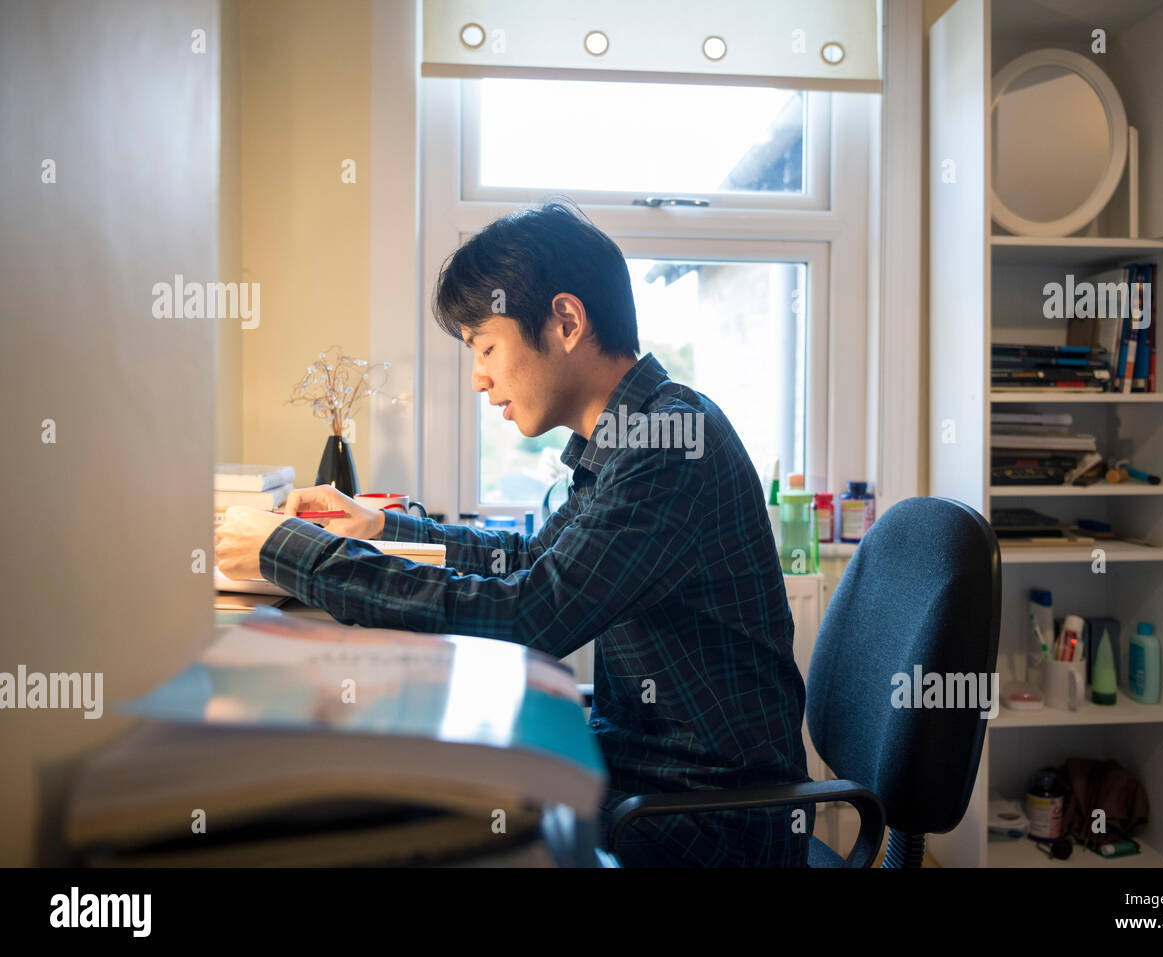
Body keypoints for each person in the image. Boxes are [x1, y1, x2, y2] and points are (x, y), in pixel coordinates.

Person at [216, 200, 812, 867]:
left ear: (566, 320)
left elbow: (531, 613)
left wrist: (283, 549)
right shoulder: (628, 436)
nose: (479, 377)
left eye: (486, 347)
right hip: (647, 788)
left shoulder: (669, 446)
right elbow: (526, 559)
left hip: (704, 823)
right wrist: (378, 524)